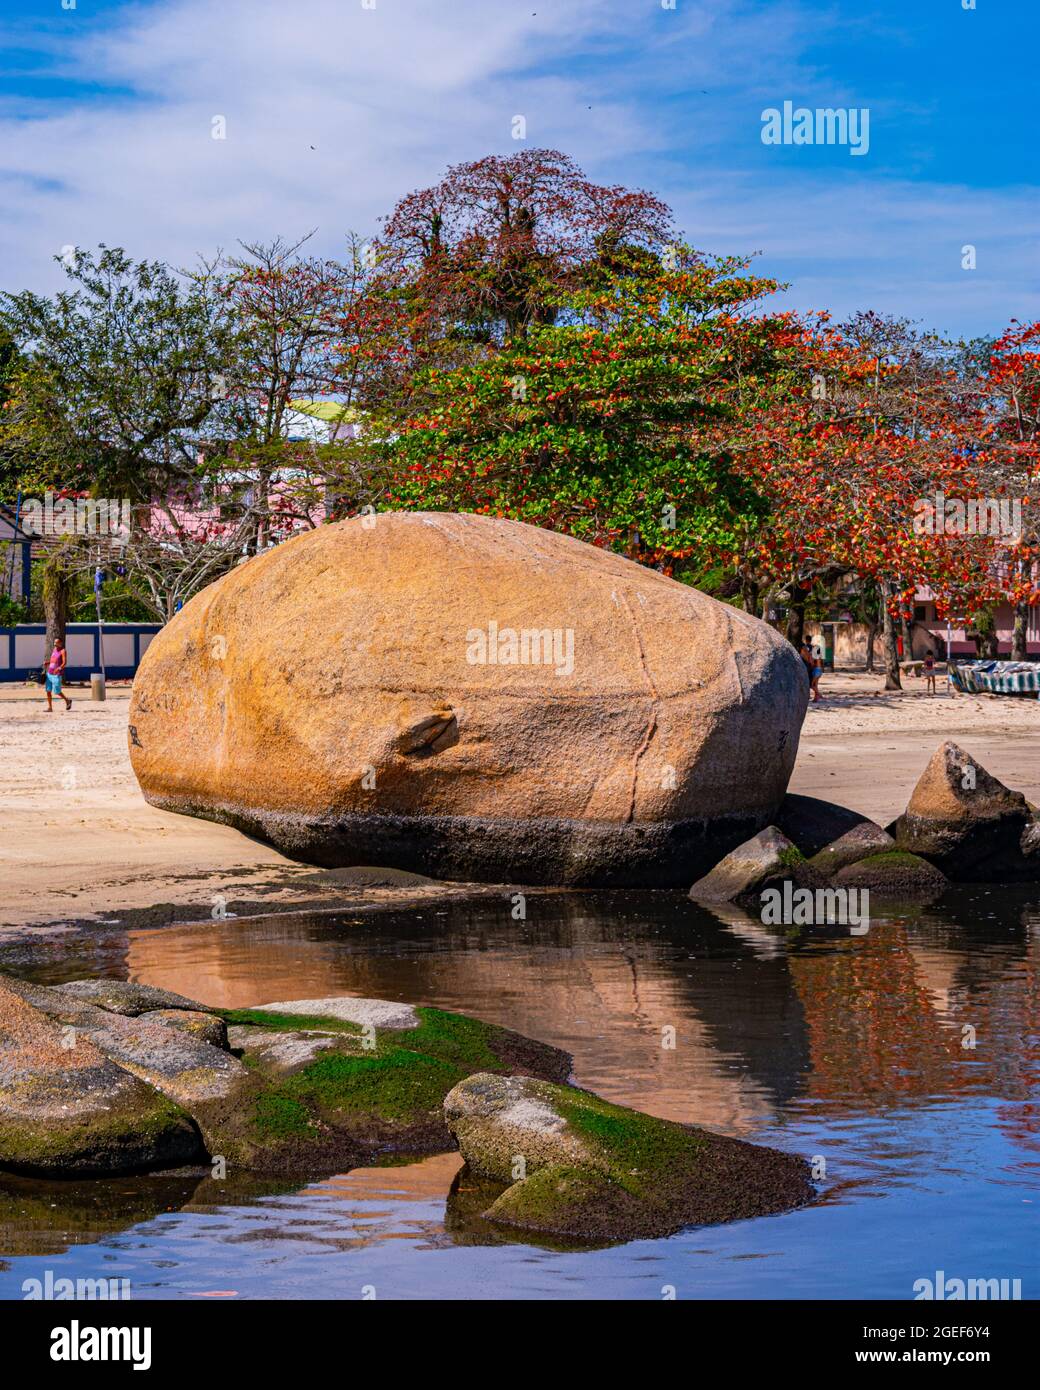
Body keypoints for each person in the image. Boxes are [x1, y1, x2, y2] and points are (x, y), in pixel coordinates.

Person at [43, 637, 72, 712]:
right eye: (54, 642)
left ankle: (67, 701)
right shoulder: (54, 650)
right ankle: (50, 708)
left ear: (61, 643)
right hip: (49, 673)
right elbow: (53, 660)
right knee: (48, 690)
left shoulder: (63, 651)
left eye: (57, 642)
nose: (55, 644)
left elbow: (64, 663)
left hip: (57, 674)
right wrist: (47, 662)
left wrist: (59, 668)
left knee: (57, 691)